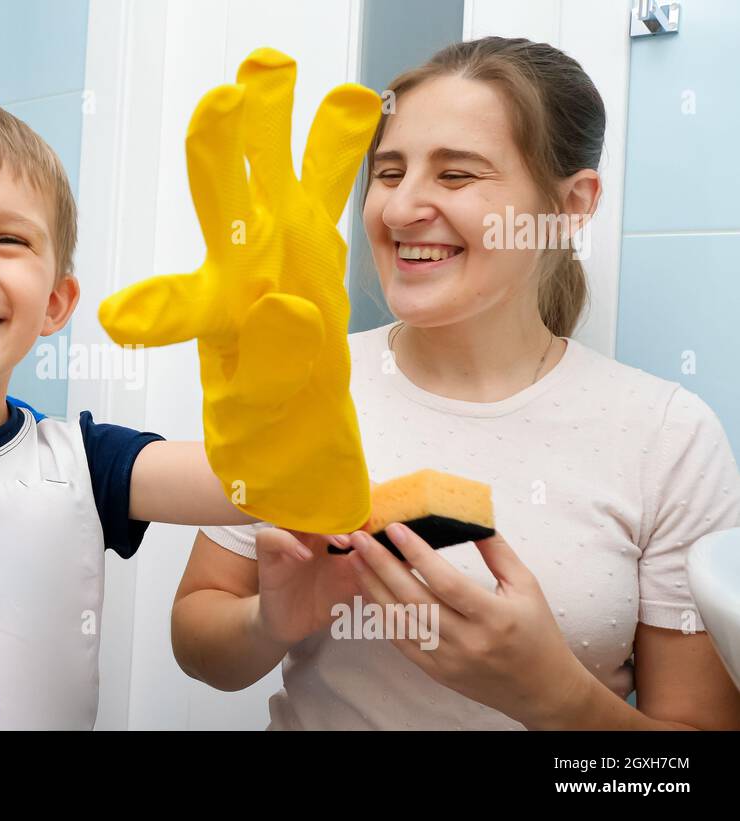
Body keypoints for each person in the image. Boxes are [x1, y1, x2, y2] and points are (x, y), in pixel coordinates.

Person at [171, 37, 740, 730]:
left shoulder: (668, 437)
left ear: (571, 203)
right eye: (387, 172)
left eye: (456, 175)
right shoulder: (301, 381)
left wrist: (553, 695)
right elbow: (197, 631)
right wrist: (272, 619)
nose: (401, 208)